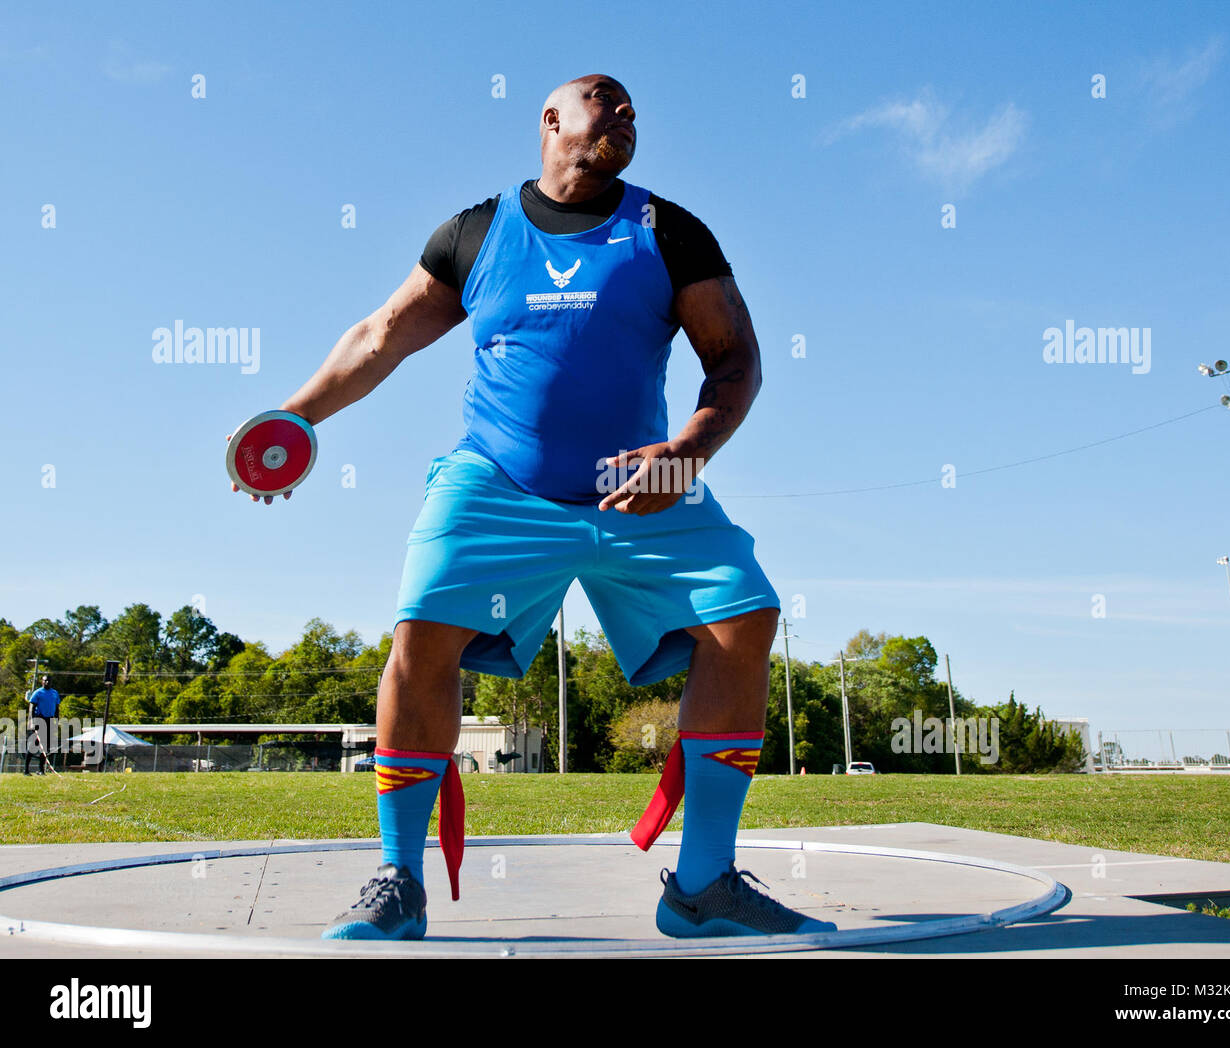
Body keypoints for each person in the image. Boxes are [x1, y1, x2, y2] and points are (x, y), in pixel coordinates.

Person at [241, 74, 835, 941]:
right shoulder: (476, 233)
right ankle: (398, 884)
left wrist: (689, 452)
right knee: (420, 632)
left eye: (635, 106)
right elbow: (378, 339)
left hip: (644, 485)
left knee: (745, 617)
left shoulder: (668, 232)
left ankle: (703, 884)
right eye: (606, 99)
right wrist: (290, 420)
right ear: (551, 120)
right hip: (496, 486)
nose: (625, 112)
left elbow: (735, 359)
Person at [24, 675, 60, 775]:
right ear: (42, 682)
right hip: (39, 719)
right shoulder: (37, 693)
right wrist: (33, 721)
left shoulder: (54, 693)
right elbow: (32, 708)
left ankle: (41, 770)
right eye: (45, 681)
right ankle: (26, 769)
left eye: (49, 680)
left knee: (45, 746)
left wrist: (56, 721)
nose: (47, 682)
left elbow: (57, 708)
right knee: (33, 745)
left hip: (49, 720)